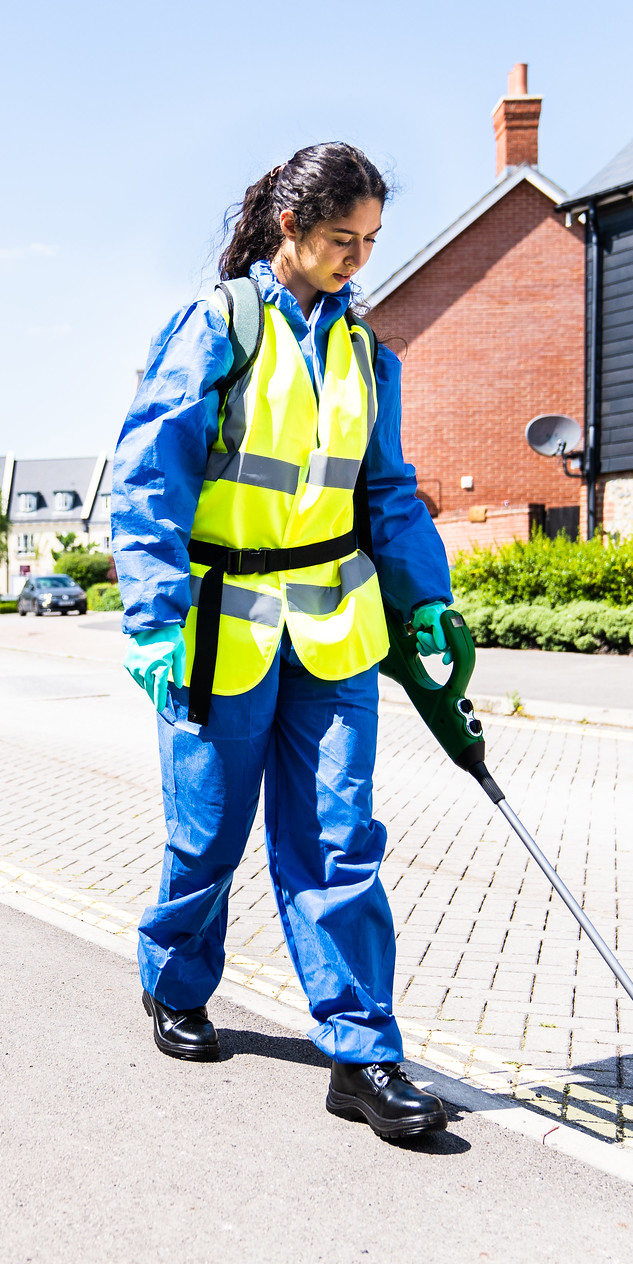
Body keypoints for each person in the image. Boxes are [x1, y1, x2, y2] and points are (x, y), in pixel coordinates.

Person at [108, 142, 460, 1140]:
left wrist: (423, 601)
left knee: (340, 841)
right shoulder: (218, 326)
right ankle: (174, 983)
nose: (358, 259)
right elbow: (150, 471)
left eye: (370, 243)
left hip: (333, 628)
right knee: (207, 836)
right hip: (218, 627)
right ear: (290, 232)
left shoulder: (363, 352)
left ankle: (361, 1054)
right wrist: (150, 615)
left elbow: (387, 491)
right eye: (342, 240)